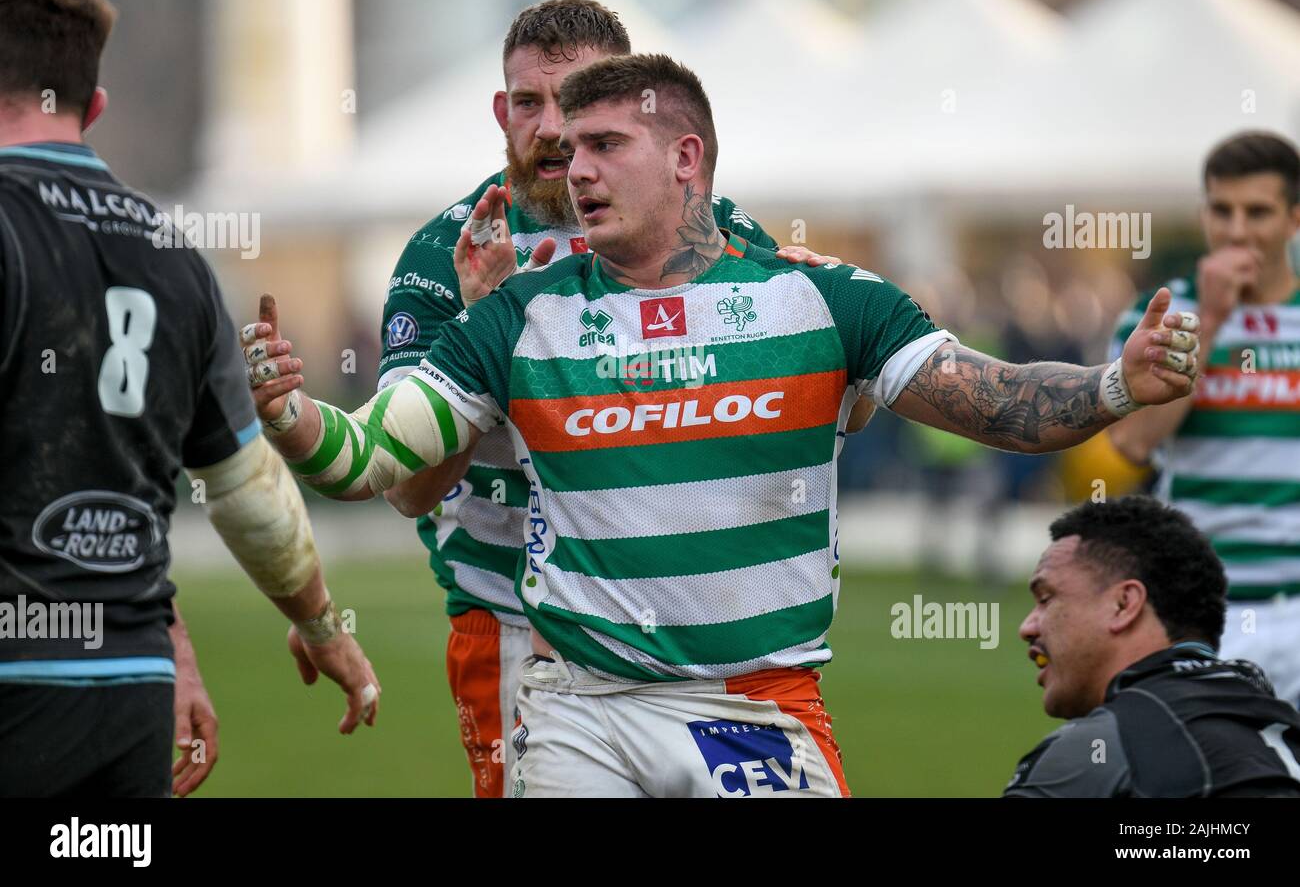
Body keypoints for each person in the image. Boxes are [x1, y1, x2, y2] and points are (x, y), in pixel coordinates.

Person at [244, 53, 1201, 797]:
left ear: (685, 157)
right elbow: (370, 457)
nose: (573, 168)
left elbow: (996, 402)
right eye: (569, 147)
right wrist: (291, 415)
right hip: (581, 708)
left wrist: (1117, 383)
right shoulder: (518, 313)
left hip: (756, 707)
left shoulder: (816, 297)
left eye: (605, 144)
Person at [254, 0, 834, 798]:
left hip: (683, 618)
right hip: (513, 621)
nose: (554, 128)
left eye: (579, 102)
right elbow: (410, 491)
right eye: (529, 102)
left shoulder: (711, 230)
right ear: (502, 109)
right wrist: (479, 334)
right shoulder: (440, 251)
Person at [0, 0, 378, 797]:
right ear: (94, 105)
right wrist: (319, 624)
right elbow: (247, 492)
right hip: (130, 696)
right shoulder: (179, 259)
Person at [1108, 131, 1300, 707]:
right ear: (1203, 213)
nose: (1237, 230)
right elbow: (1132, 441)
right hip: (1203, 610)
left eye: (1257, 212)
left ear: (1294, 219)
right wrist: (1211, 319)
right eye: (1223, 210)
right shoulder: (1162, 316)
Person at [1004, 496, 1300, 797]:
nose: (1026, 628)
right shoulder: (1277, 722)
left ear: (1123, 604)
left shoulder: (1096, 754)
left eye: (1046, 599)